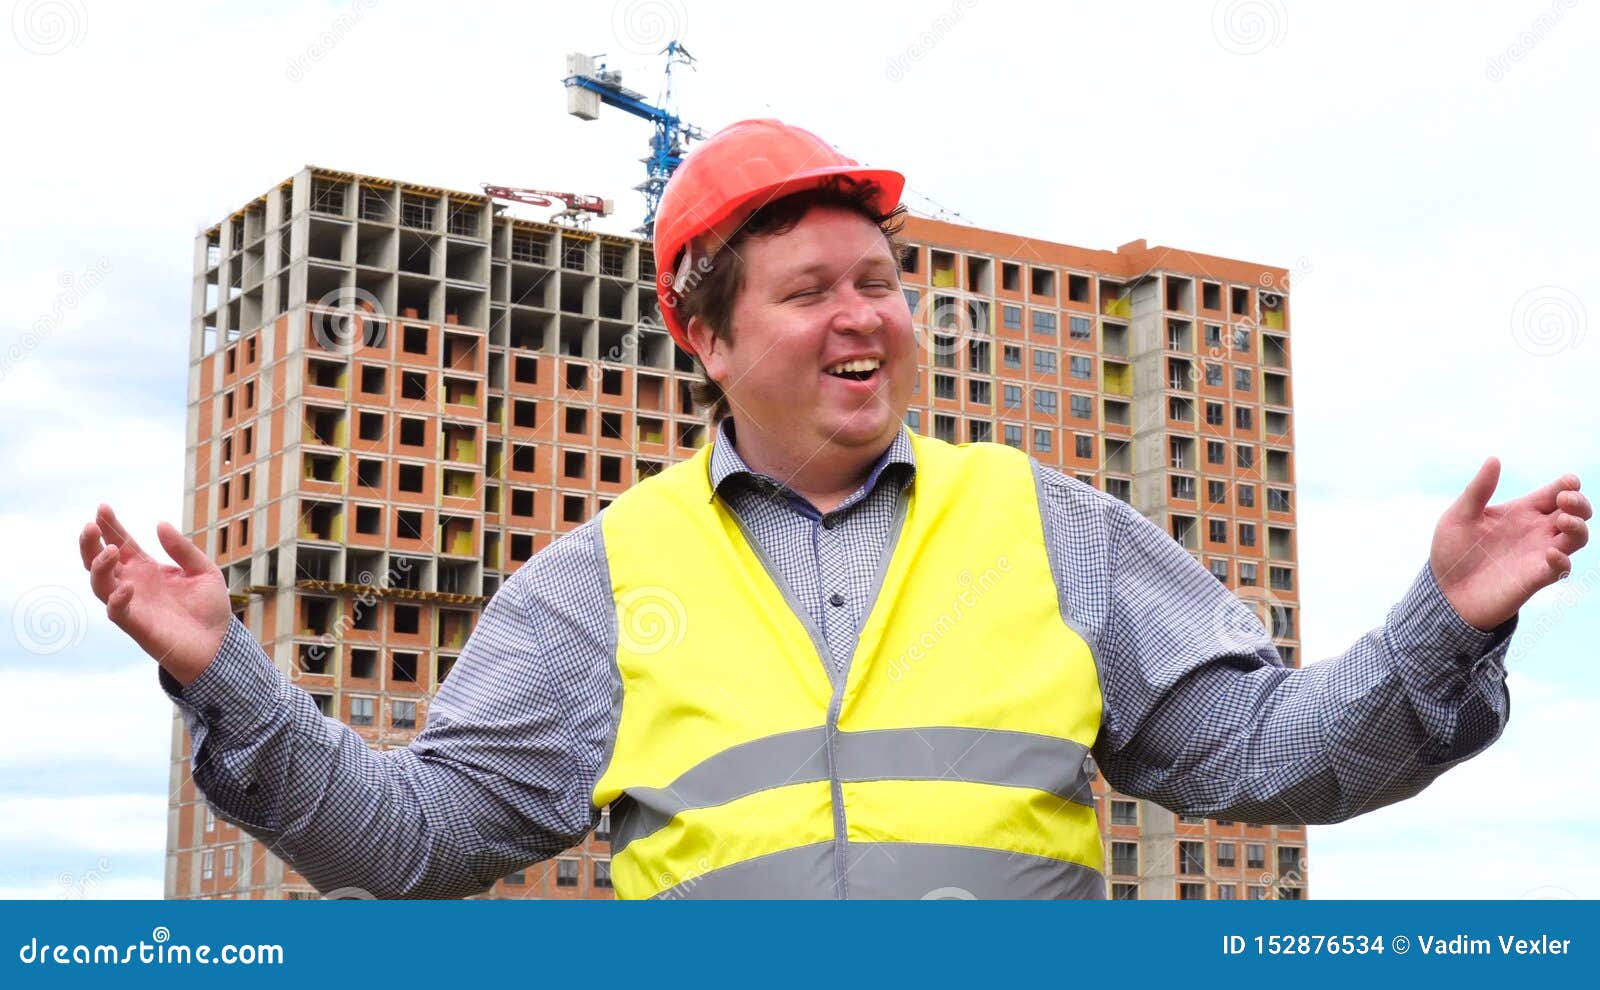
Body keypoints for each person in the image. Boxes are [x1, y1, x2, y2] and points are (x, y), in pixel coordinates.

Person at [80, 119, 1591, 899]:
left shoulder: (1050, 527)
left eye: (880, 280)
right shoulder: (598, 585)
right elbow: (412, 841)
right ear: (710, 340)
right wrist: (226, 674)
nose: (863, 316)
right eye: (811, 292)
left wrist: (1439, 622)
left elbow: (1273, 755)